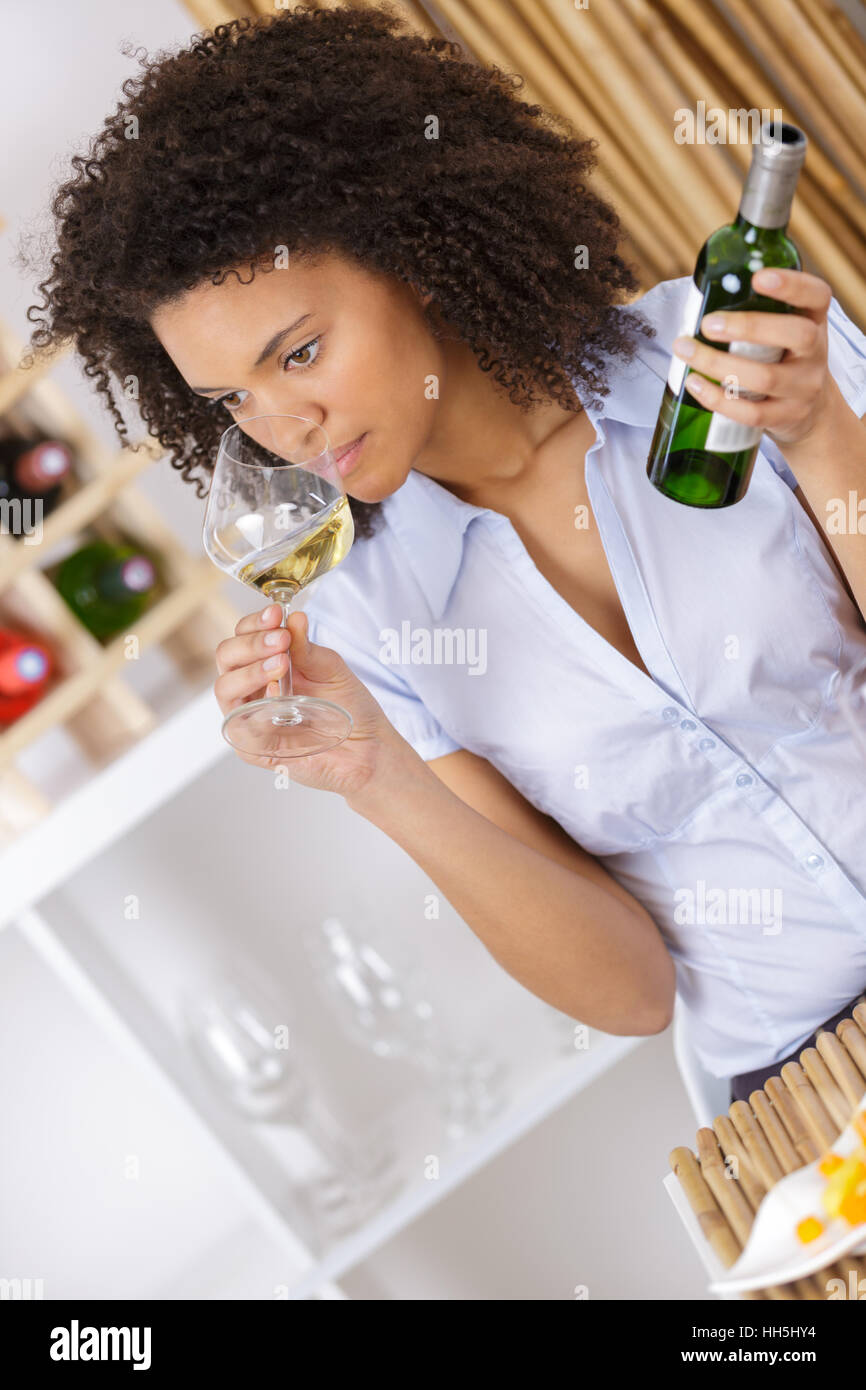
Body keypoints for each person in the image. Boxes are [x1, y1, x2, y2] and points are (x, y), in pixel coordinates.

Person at [25, 7, 866, 1108]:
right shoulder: (373, 616)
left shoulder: (717, 359)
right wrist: (378, 778)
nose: (284, 423)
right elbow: (629, 992)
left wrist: (819, 435)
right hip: (795, 1095)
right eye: (234, 399)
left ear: (407, 255)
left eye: (302, 351)